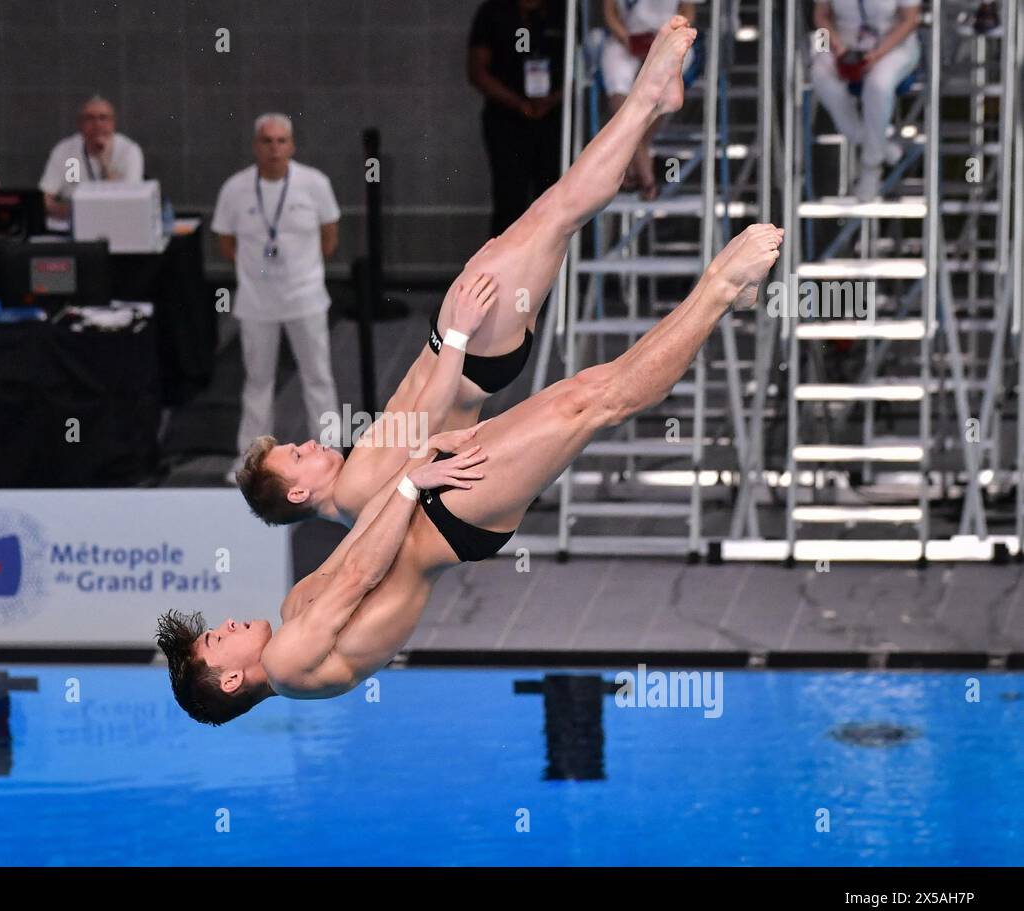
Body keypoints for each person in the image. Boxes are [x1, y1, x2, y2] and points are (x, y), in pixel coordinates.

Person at [158, 222, 783, 725]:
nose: (227, 625)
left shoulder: (293, 612)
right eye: (217, 640)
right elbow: (360, 573)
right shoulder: (289, 665)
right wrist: (414, 481)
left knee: (584, 396)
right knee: (592, 402)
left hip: (435, 505)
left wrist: (418, 462)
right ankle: (722, 286)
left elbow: (360, 540)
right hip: (446, 517)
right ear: (232, 679)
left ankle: (722, 296)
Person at [238, 19, 696, 531]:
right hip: (469, 349)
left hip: (469, 354)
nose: (308, 443)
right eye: (297, 455)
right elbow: (426, 418)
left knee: (557, 214)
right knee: (559, 209)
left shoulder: (353, 498)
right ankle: (647, 99)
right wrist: (457, 331)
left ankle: (649, 104)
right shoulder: (351, 492)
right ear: (299, 492)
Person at [212, 113, 341, 482]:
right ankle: (251, 462)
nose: (274, 148)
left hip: (306, 298)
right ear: (256, 146)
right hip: (257, 302)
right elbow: (226, 242)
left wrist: (300, 272)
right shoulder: (235, 188)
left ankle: (331, 457)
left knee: (318, 377)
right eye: (267, 141)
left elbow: (329, 238)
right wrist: (257, 273)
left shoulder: (315, 184)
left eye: (281, 141)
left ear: (292, 145)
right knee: (257, 381)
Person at [468, 0, 567, 236]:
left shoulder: (562, 12)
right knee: (509, 200)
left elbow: (581, 67)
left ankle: (550, 259)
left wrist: (553, 99)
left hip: (552, 120)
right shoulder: (493, 12)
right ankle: (505, 260)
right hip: (507, 121)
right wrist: (518, 104)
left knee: (553, 198)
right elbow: (477, 71)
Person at [810, 0, 923, 201]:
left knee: (878, 85)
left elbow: (911, 20)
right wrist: (836, 45)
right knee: (819, 74)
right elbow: (821, 15)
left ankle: (871, 166)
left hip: (892, 44)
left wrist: (878, 54)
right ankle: (874, 142)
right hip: (842, 43)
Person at [601, 0, 697, 199]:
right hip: (625, 40)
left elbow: (688, 11)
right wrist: (627, 40)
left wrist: (666, 40)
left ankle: (634, 160)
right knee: (617, 79)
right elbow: (610, 12)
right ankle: (645, 168)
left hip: (668, 41)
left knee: (665, 80)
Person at [39, 96, 143, 220]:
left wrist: (104, 162)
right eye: (90, 118)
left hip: (117, 220)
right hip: (74, 219)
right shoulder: (65, 150)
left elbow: (129, 200)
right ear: (80, 124)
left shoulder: (129, 151)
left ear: (113, 122)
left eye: (103, 118)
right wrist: (72, 211)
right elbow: (46, 197)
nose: (97, 124)